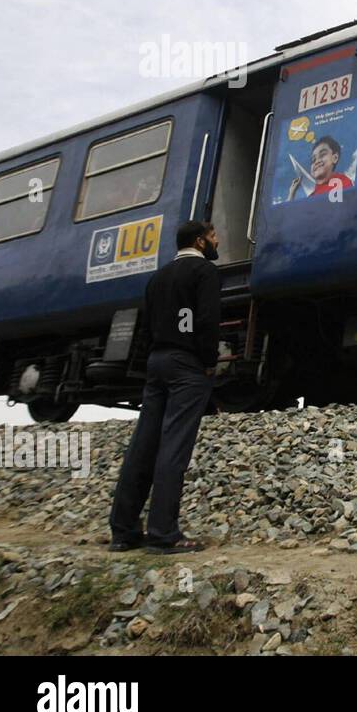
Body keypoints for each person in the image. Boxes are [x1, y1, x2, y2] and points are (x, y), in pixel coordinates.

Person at [108, 220, 221, 554]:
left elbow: (146, 326)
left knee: (143, 445)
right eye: (213, 237)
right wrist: (209, 360)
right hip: (187, 364)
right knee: (175, 447)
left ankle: (123, 531)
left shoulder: (157, 278)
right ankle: (162, 534)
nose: (216, 242)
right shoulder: (204, 273)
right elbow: (205, 321)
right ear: (200, 241)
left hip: (157, 362)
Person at [287, 135, 354, 200]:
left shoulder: (341, 181)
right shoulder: (312, 197)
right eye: (313, 160)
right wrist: (291, 193)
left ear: (335, 158)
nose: (317, 161)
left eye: (322, 155)